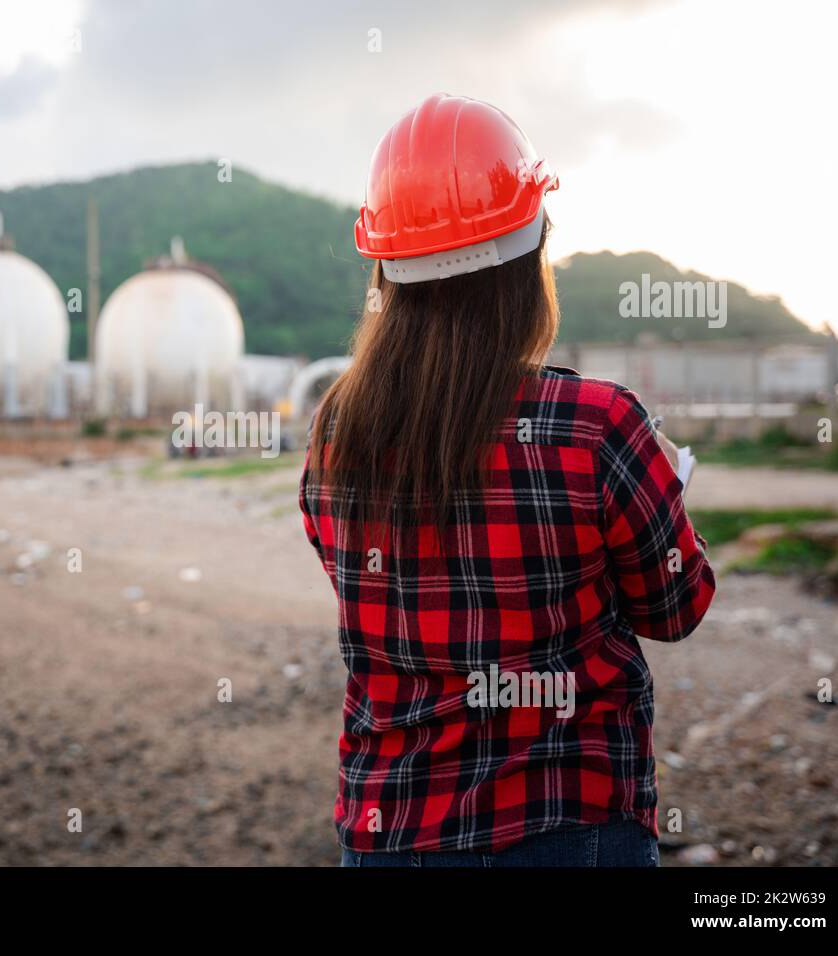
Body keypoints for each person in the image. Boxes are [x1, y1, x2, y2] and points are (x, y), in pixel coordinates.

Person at [299, 94, 716, 867]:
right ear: (531, 263)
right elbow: (676, 608)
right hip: (574, 824)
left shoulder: (335, 433)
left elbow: (380, 604)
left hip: (393, 829)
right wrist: (664, 491)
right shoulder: (598, 425)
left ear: (386, 273)